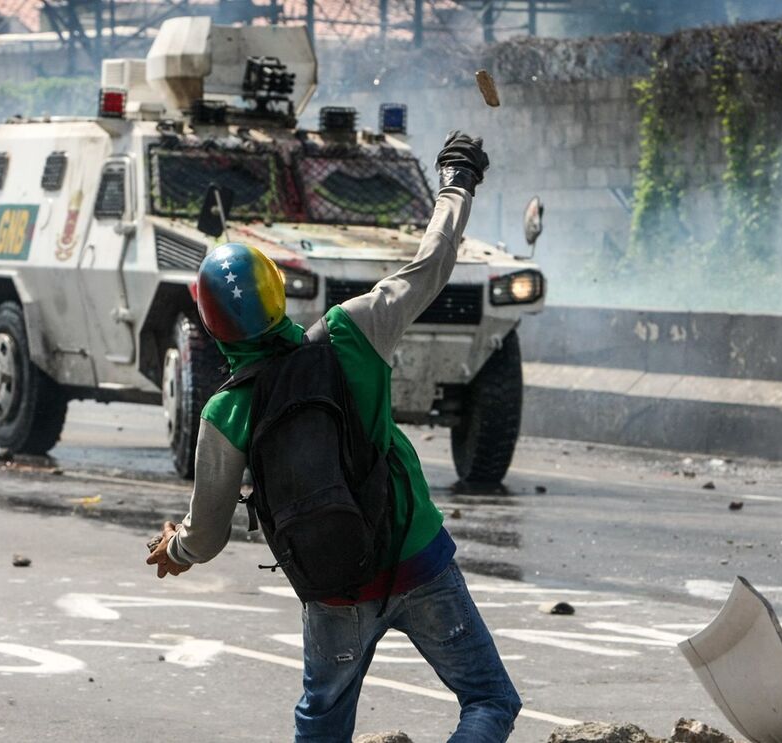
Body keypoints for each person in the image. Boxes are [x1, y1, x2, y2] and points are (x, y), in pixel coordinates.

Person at [146, 131, 522, 742]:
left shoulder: (225, 411)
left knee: (322, 725)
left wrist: (177, 550)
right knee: (488, 700)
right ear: (277, 293)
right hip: (417, 558)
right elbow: (432, 262)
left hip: (334, 589)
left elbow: (207, 536)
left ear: (214, 331)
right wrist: (457, 181)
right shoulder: (353, 332)